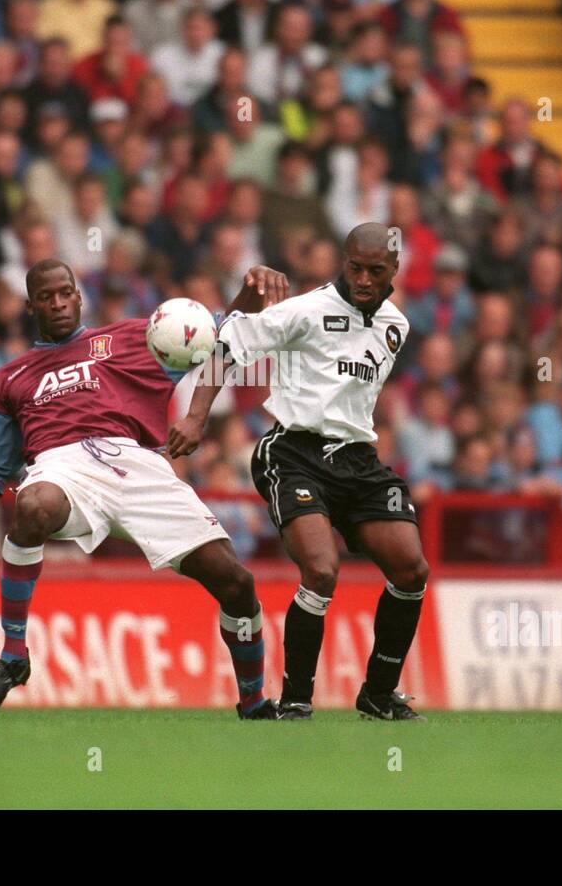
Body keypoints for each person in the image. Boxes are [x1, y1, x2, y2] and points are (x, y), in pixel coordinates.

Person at [0, 258, 289, 719]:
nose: (57, 303)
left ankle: (253, 702)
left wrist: (252, 287)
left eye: (65, 293)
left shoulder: (136, 336)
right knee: (32, 505)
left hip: (137, 463)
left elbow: (222, 332)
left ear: (78, 296)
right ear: (30, 306)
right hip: (61, 467)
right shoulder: (7, 379)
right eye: (46, 296)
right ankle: (14, 655)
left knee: (236, 582)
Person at [169, 223, 431, 721]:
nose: (363, 279)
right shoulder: (306, 310)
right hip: (294, 451)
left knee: (412, 569)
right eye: (355, 268)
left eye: (376, 271)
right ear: (344, 261)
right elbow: (229, 342)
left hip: (357, 458)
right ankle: (296, 699)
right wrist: (197, 417)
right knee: (321, 568)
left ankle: (378, 695)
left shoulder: (398, 326)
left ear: (394, 270)